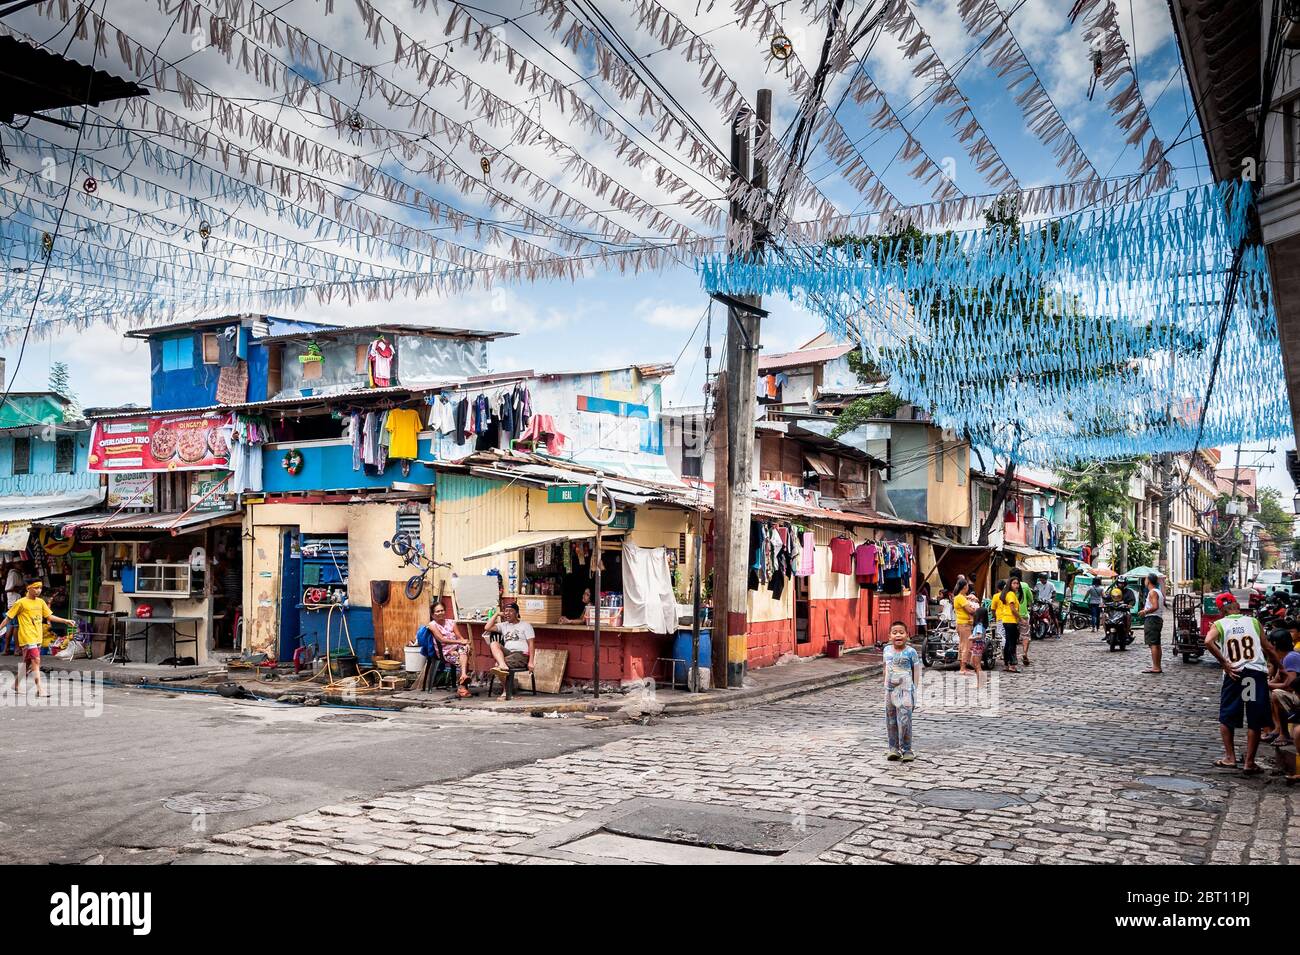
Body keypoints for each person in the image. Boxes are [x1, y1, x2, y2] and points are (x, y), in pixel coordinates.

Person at [1205, 592, 1285, 775]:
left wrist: (1224, 663)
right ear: (1237, 606)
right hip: (1254, 675)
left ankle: (1230, 757)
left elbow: (1208, 641)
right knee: (1254, 717)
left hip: (1235, 674)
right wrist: (1281, 668)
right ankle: (1249, 762)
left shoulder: (1220, 624)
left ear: (1220, 610)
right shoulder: (1253, 622)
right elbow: (1268, 648)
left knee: (1227, 715)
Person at [1, 579, 74, 697]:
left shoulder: (40, 602)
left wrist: (65, 621)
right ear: (28, 588)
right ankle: (40, 689)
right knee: (36, 660)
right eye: (36, 587)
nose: (38, 590)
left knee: (28, 663)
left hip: (37, 636)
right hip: (27, 637)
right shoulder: (20, 603)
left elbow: (49, 616)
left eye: (40, 587)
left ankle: (16, 685)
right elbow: (8, 618)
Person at [883, 620, 922, 762]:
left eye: (901, 632)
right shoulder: (886, 650)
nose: (898, 635)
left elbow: (916, 671)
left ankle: (907, 749)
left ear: (907, 635)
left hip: (906, 689)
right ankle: (893, 748)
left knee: (905, 720)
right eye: (894, 633)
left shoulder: (911, 652)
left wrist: (914, 690)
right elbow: (885, 668)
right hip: (889, 690)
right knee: (891, 720)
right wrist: (884, 685)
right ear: (889, 636)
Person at [482, 601, 534, 700]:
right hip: (508, 653)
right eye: (506, 611)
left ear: (517, 613)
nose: (507, 613)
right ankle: (502, 665)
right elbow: (487, 627)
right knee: (493, 643)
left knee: (498, 667)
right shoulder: (503, 625)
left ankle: (506, 691)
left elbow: (531, 644)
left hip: (521, 654)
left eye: (511, 611)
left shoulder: (526, 625)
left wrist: (531, 661)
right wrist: (496, 614)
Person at [425, 602, 472, 698]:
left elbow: (460, 637)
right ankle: (462, 687)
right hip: (444, 652)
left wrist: (466, 643)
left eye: (442, 610)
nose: (440, 613)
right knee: (463, 657)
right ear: (433, 614)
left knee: (464, 650)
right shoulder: (432, 625)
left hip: (456, 648)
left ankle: (462, 679)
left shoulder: (451, 622)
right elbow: (442, 639)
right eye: (437, 611)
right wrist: (459, 642)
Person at [1265, 629, 1299, 754]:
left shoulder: (1291, 658)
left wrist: (1269, 685)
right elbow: (1277, 679)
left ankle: (1284, 733)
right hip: (1294, 694)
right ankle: (1277, 728)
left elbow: (1291, 684)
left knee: (1276, 694)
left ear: (1274, 644)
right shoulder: (1283, 658)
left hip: (1297, 694)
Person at [991, 579, 1021, 672]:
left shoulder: (1004, 594)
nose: (1017, 585)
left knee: (1008, 642)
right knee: (1011, 643)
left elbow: (993, 609)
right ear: (1009, 584)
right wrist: (1020, 618)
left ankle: (1006, 664)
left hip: (1004, 619)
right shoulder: (1011, 594)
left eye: (1017, 583)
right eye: (1014, 583)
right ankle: (1012, 664)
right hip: (1010, 620)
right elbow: (1012, 609)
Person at [952, 576, 978, 676]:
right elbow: (969, 610)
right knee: (966, 646)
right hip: (964, 624)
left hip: (964, 624)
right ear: (964, 587)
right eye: (967, 586)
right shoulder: (960, 598)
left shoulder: (962, 597)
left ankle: (964, 666)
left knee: (963, 645)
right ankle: (963, 668)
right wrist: (976, 610)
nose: (968, 588)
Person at [1140, 572, 1165, 674]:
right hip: (1157, 618)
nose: (1145, 581)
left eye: (1145, 579)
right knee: (1156, 643)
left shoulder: (1152, 592)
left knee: (1153, 644)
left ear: (1149, 581)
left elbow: (1155, 606)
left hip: (1152, 619)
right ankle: (1157, 665)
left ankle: (1156, 667)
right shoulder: (1158, 592)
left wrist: (1144, 611)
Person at [1010, 570, 1034, 666]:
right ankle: (1024, 653)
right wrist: (1026, 605)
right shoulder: (1025, 585)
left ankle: (1013, 655)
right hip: (1023, 615)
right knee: (1025, 636)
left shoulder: (1008, 586)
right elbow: (1030, 599)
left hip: (1011, 616)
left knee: (1012, 637)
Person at [968, 604, 989, 685]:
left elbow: (979, 636)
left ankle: (980, 683)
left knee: (977, 665)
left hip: (978, 644)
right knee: (972, 662)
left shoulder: (979, 625)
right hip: (978, 644)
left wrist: (972, 638)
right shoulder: (982, 625)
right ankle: (983, 678)